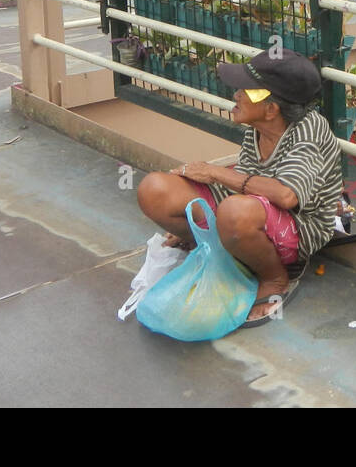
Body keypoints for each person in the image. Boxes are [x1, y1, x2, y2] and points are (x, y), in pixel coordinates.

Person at [135, 49, 344, 325]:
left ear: (271, 109)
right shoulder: (257, 127)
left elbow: (287, 194)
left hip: (298, 225)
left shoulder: (309, 131)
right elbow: (244, 180)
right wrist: (199, 214)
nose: (236, 95)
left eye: (247, 90)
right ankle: (223, 249)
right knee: (154, 189)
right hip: (248, 205)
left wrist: (215, 172)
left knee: (234, 212)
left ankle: (275, 277)